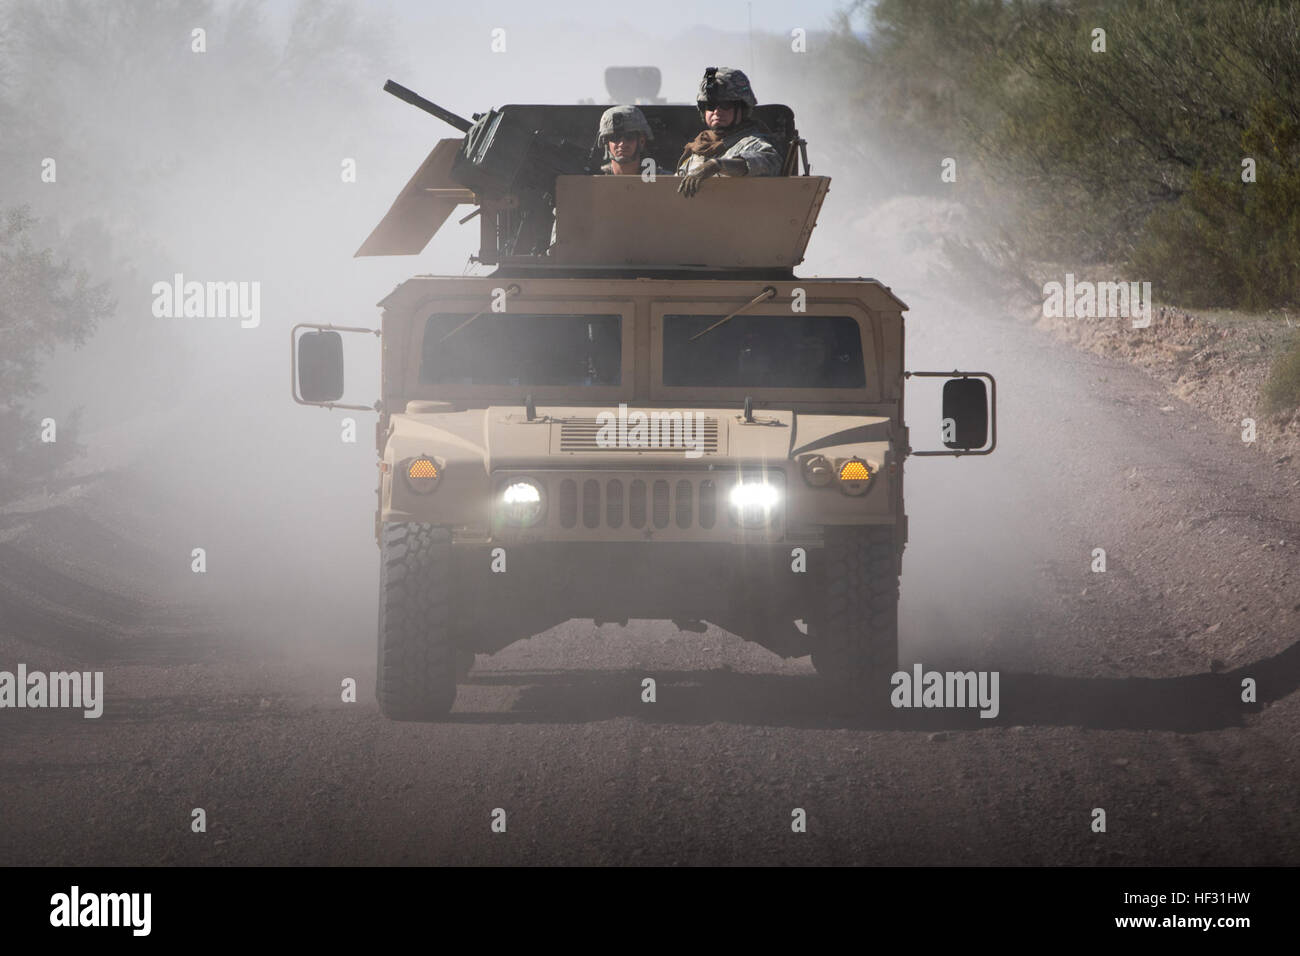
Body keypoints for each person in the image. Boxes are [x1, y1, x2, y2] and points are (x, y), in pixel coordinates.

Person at [677, 66, 782, 197]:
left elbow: (768, 163)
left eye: (726, 105)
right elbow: (675, 184)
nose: (716, 111)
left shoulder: (754, 143)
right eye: (710, 106)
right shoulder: (699, 148)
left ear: (742, 109)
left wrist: (717, 165)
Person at [596, 105, 660, 176]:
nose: (622, 144)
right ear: (607, 143)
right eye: (615, 137)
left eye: (629, 137)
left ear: (641, 141)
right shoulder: (592, 180)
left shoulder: (664, 180)